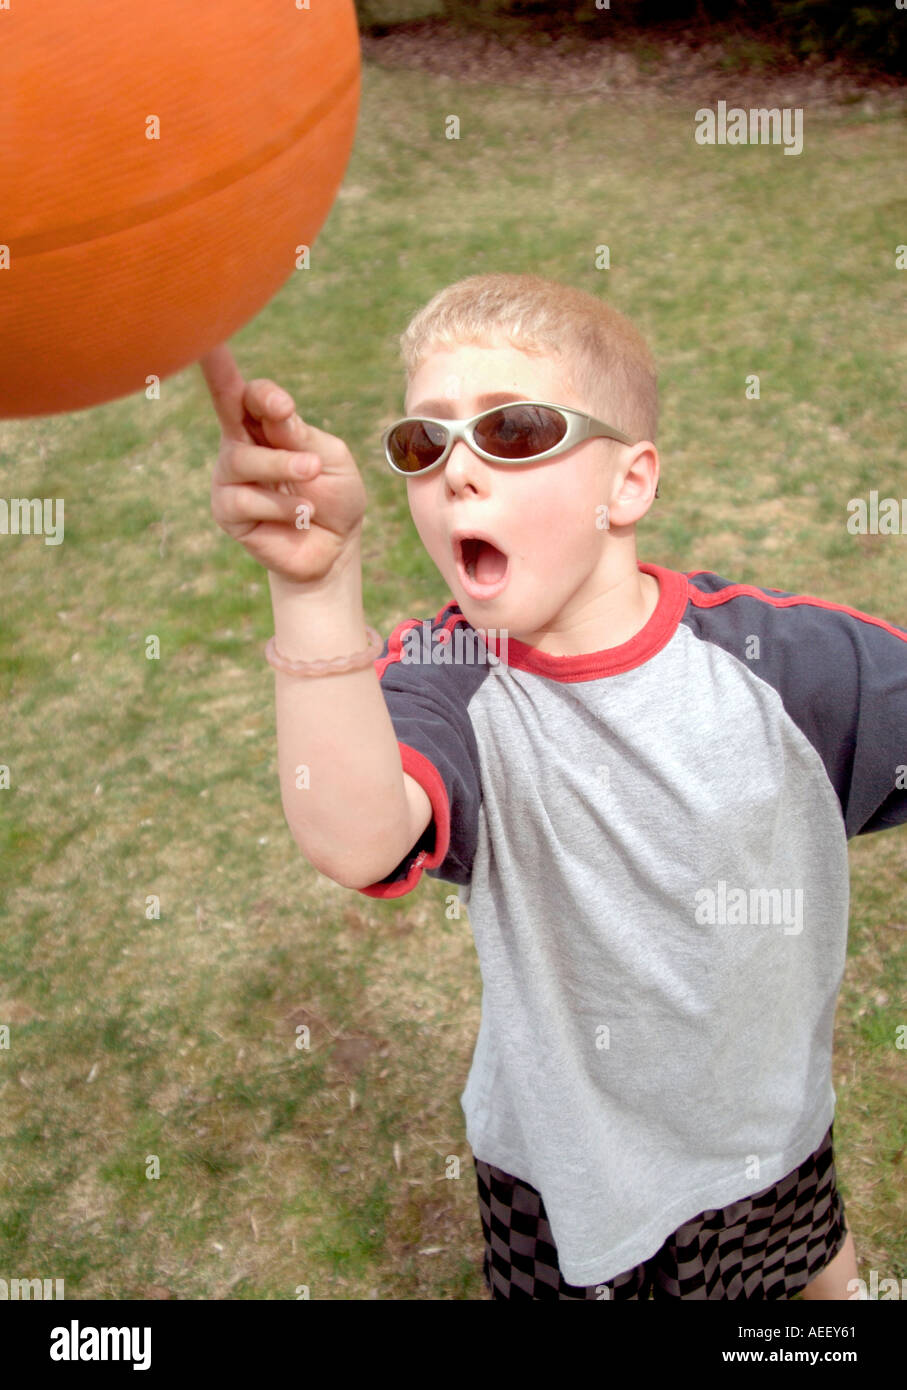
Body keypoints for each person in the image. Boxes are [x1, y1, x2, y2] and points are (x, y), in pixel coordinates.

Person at [202, 272, 906, 1300]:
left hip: (768, 1130)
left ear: (627, 484)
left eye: (516, 430)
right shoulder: (446, 678)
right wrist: (316, 590)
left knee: (811, 1278)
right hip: (572, 1177)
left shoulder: (784, 667)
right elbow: (356, 833)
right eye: (424, 442)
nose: (456, 472)